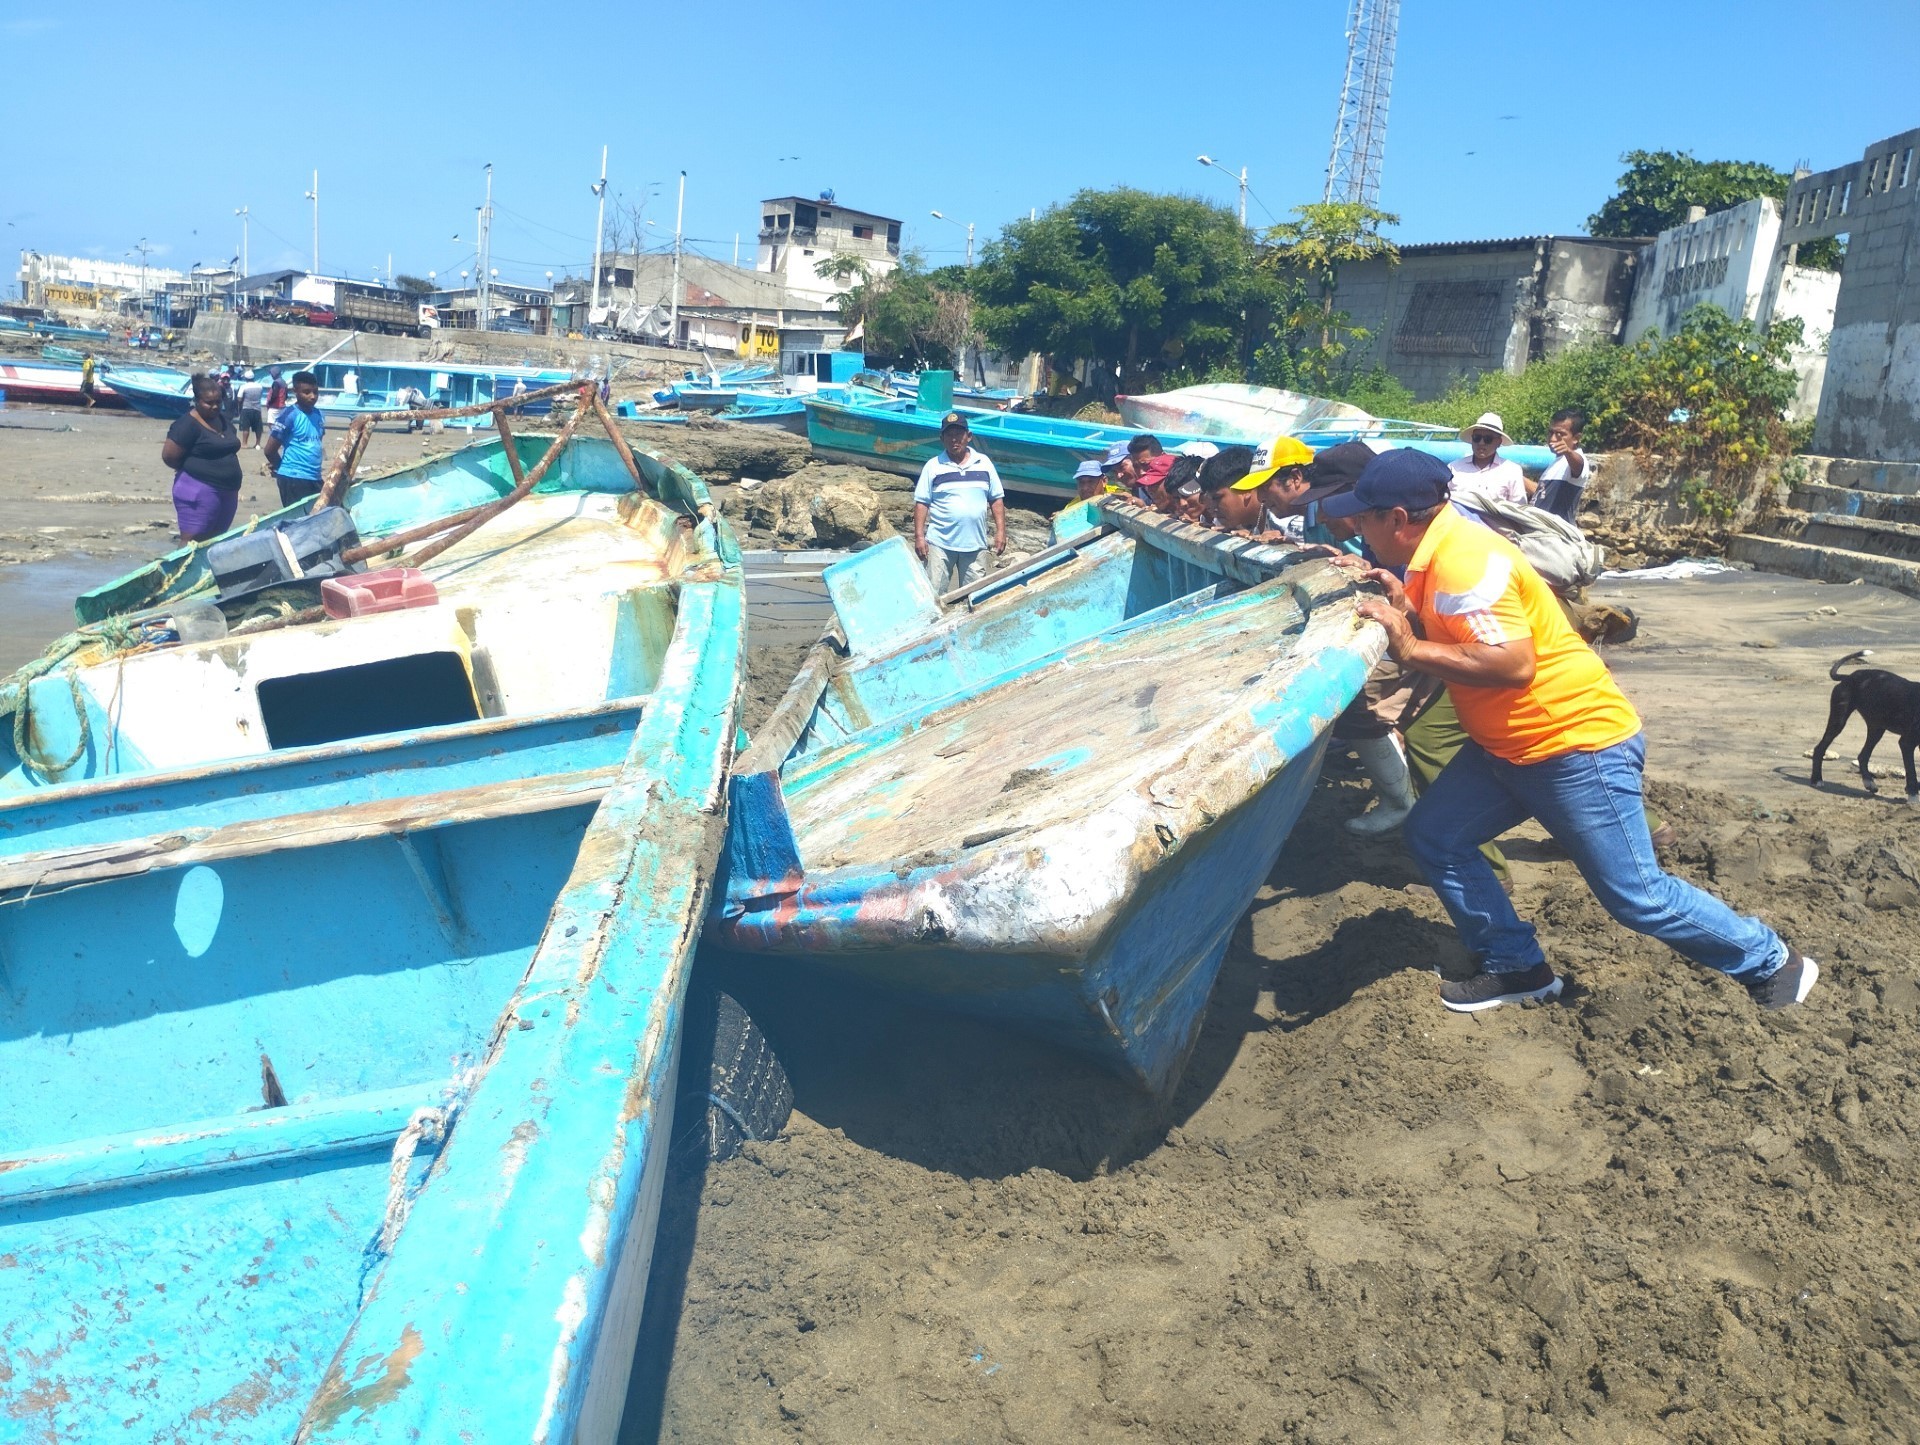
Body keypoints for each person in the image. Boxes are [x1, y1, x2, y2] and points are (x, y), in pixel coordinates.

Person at [1325, 448, 1817, 1013]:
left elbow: (1513, 664)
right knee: (1437, 836)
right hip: (1508, 748)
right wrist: (1402, 603)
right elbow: (1458, 623)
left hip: (1572, 746)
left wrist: (1408, 646)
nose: (1354, 526)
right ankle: (1515, 967)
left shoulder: (1464, 560)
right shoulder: (1440, 551)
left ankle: (1773, 963)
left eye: (1362, 517)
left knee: (1637, 896)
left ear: (1398, 519)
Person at [913, 412, 1007, 593]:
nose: (954, 439)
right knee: (935, 595)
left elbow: (996, 499)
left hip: (975, 545)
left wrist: (1001, 532)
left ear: (968, 436)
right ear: (942, 438)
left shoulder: (984, 463)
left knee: (973, 598)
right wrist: (919, 537)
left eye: (959, 434)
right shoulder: (933, 466)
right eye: (949, 434)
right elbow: (921, 503)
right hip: (940, 544)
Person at [162, 374, 245, 541]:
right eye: (209, 403)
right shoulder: (187, 425)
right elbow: (169, 456)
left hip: (227, 490)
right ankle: (182, 567)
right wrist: (191, 468)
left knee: (216, 539)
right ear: (197, 401)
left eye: (218, 402)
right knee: (192, 539)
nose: (214, 407)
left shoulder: (222, 420)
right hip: (197, 489)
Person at [264, 370, 327, 508]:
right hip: (293, 479)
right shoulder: (289, 416)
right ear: (295, 392)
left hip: (314, 477)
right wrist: (281, 468)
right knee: (298, 523)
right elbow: (269, 450)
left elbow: (317, 441)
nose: (312, 396)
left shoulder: (319, 415)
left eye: (315, 392)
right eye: (307, 392)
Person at [1448, 412, 1530, 505]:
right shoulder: (1453, 468)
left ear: (1499, 442)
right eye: (1477, 438)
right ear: (1472, 439)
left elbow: (1519, 509)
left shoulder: (1511, 471)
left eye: (1488, 439)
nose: (1481, 443)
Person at [1534, 408, 1593, 521]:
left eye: (1560, 434)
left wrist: (1568, 452)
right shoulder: (1557, 462)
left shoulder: (1575, 459)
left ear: (1576, 438)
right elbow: (1542, 492)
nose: (1552, 439)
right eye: (1551, 432)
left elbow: (1578, 466)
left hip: (1556, 534)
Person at [236, 371, 264, 447]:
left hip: (246, 408)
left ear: (246, 378)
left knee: (246, 427)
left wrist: (239, 407)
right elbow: (260, 395)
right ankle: (257, 443)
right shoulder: (259, 386)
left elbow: (239, 398)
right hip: (257, 408)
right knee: (258, 427)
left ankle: (245, 443)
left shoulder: (244, 386)